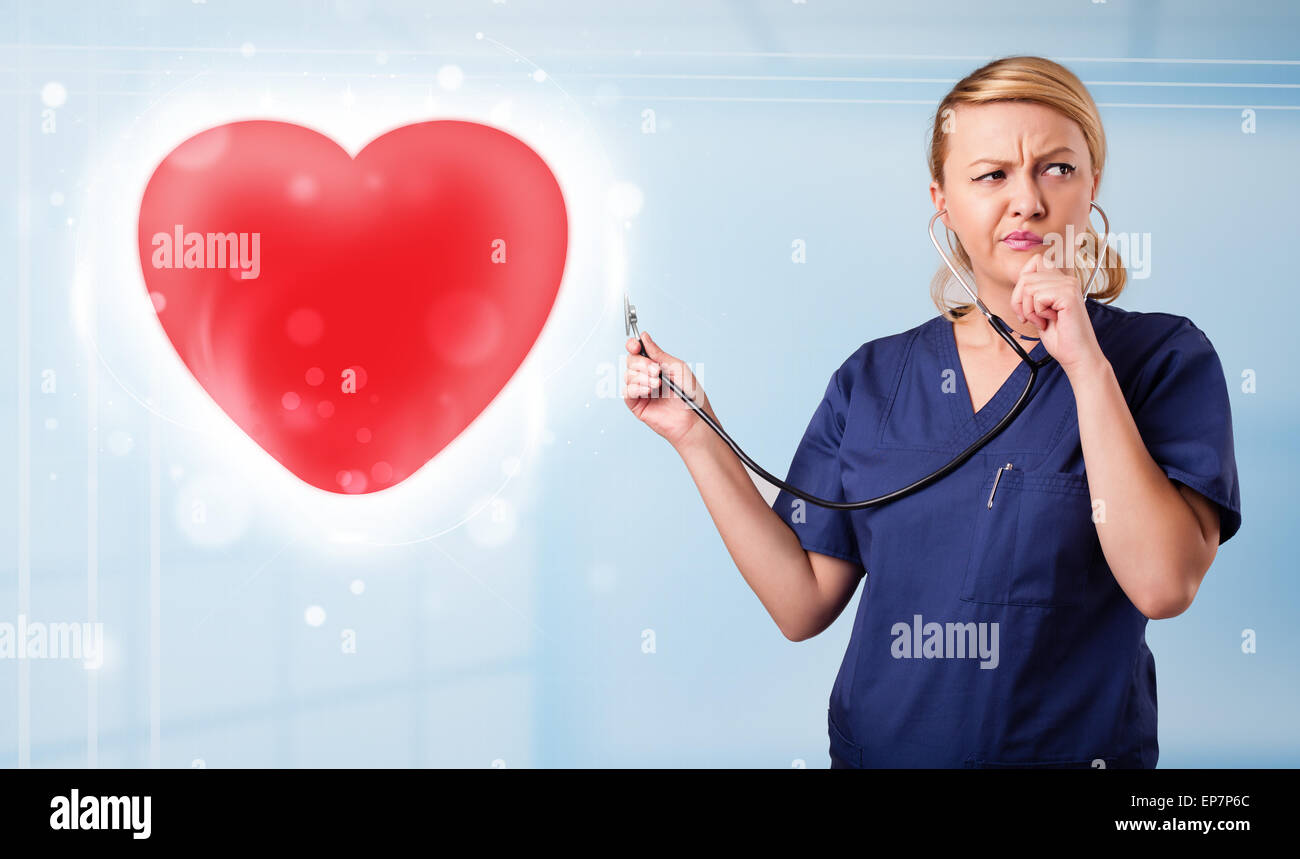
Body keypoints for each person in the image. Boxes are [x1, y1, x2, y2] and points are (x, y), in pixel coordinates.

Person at [622, 55, 1241, 768]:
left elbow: (1164, 584)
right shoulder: (873, 378)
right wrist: (696, 436)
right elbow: (802, 601)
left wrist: (1084, 364)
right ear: (941, 200)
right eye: (990, 175)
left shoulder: (1161, 359)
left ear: (1092, 183)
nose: (1028, 202)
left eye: (1057, 168)